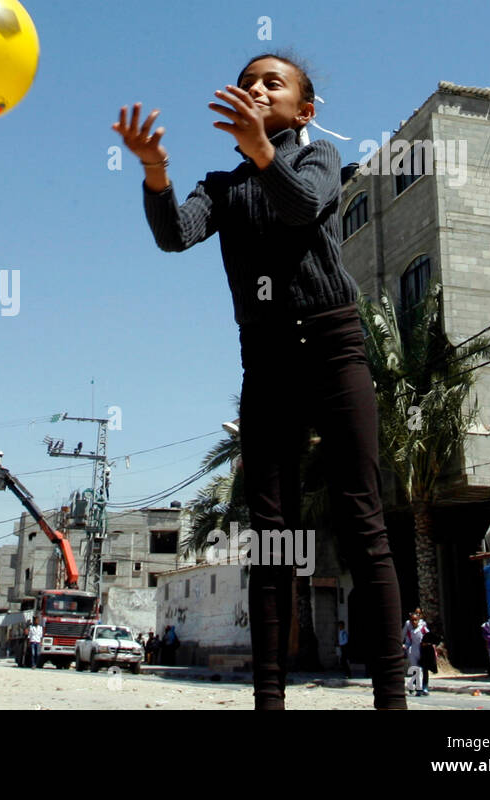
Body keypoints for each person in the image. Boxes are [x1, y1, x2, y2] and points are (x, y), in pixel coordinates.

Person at [118, 52, 408, 710]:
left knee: (363, 521)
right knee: (273, 536)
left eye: (270, 83)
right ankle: (269, 702)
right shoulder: (219, 186)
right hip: (268, 363)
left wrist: (261, 152)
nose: (255, 88)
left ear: (303, 112)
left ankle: (392, 700)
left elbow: (303, 208)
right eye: (247, 81)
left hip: (335, 348)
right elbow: (174, 235)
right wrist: (156, 174)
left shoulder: (318, 162)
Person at [401, 609, 428, 695]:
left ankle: (418, 687)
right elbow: (408, 642)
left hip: (422, 651)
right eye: (412, 620)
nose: (414, 622)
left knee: (420, 670)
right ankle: (417, 688)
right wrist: (404, 646)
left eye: (415, 620)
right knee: (416, 670)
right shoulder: (410, 631)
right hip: (413, 652)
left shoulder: (423, 628)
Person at [418, 622, 441, 696]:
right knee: (417, 671)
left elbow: (437, 641)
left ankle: (425, 687)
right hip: (417, 652)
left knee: (425, 671)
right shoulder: (418, 631)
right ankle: (418, 688)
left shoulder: (430, 634)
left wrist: (429, 644)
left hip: (427, 654)